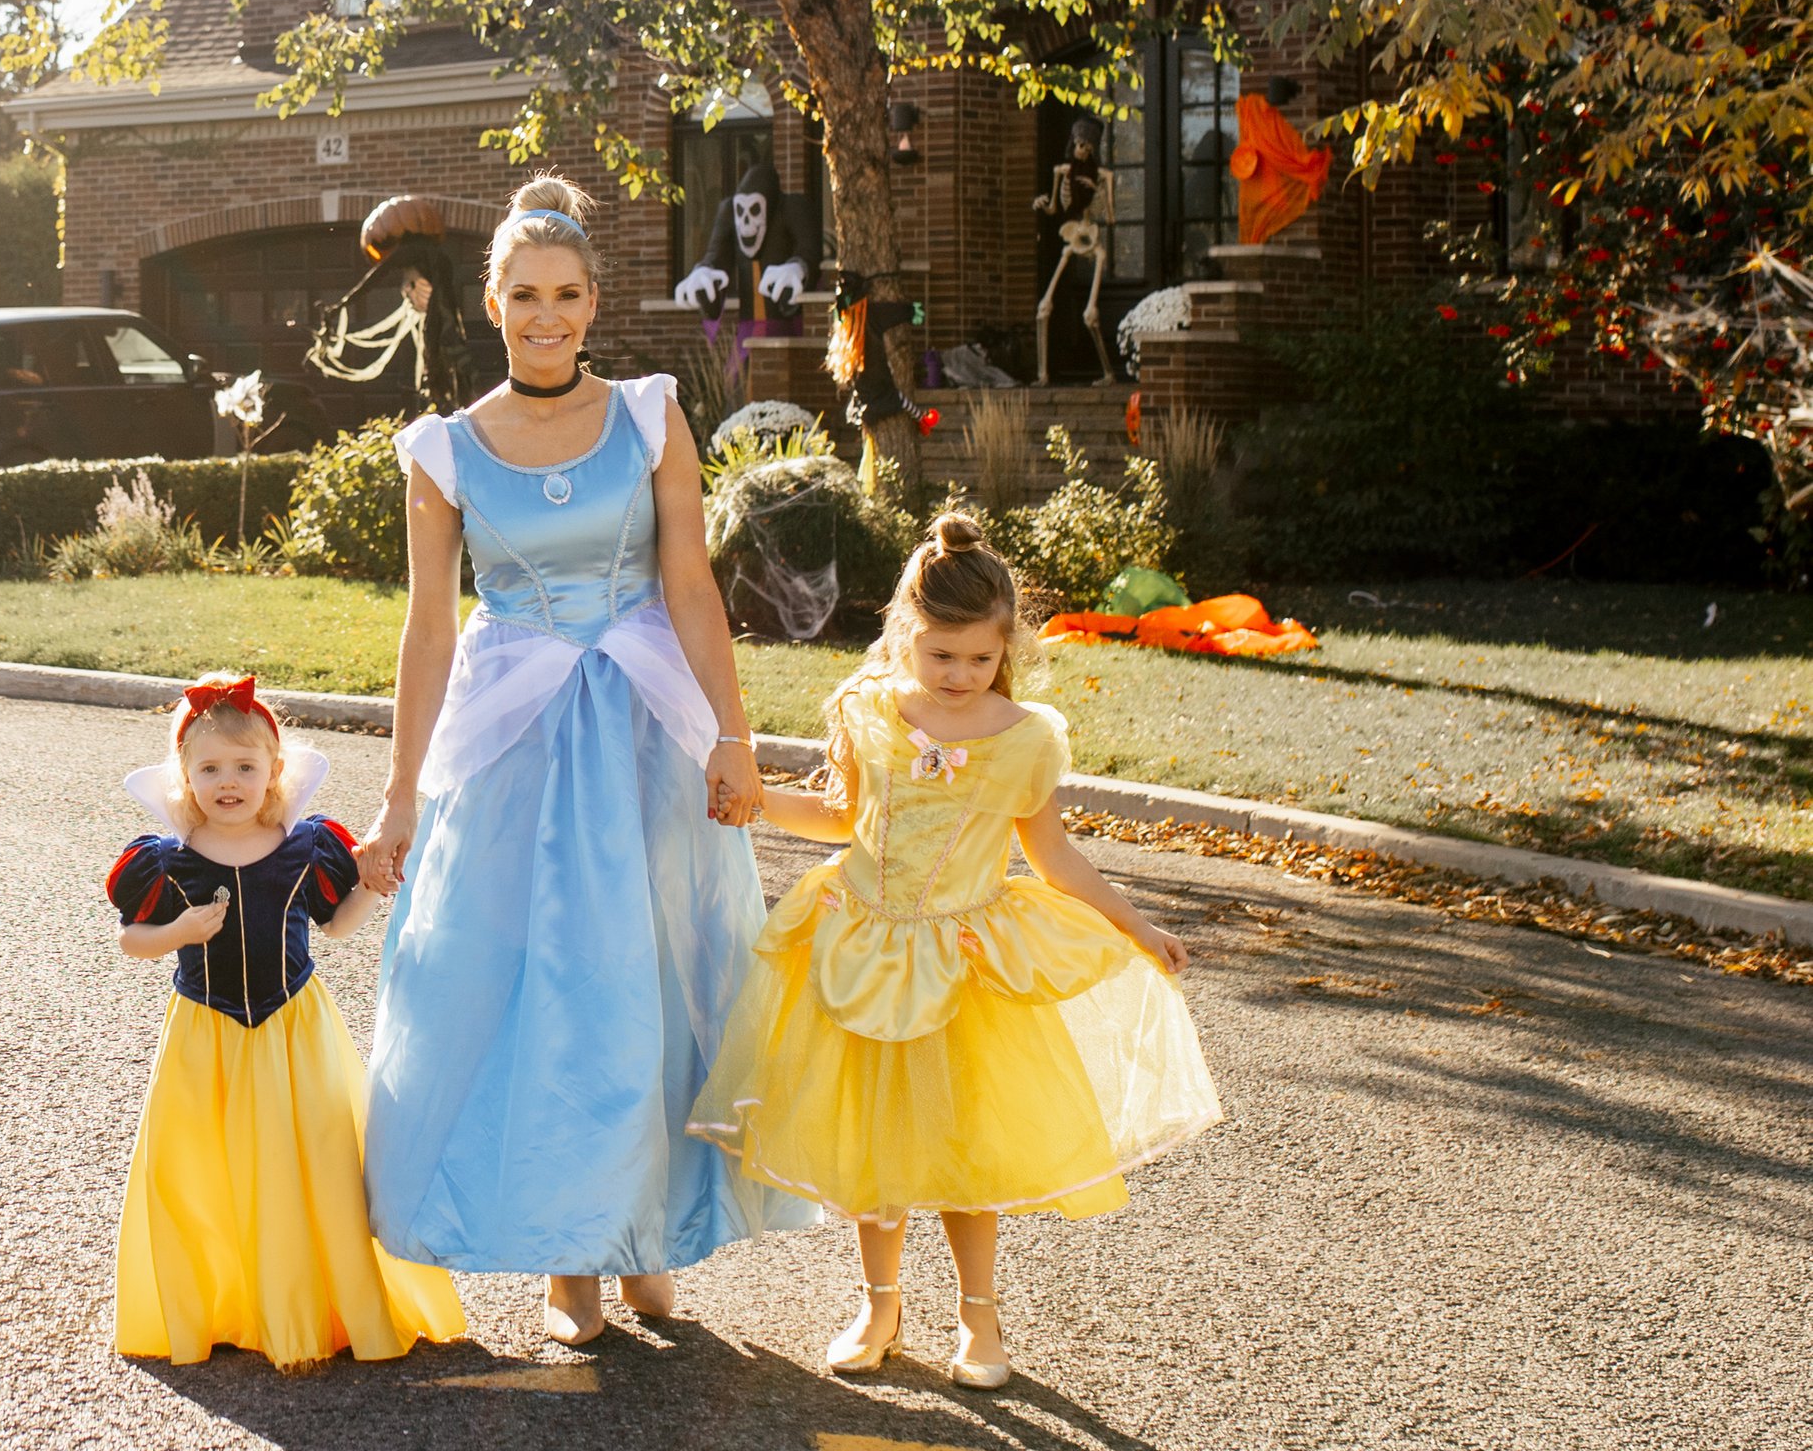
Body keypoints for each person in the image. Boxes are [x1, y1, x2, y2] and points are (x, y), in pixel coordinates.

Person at [358, 175, 816, 1347]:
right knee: (541, 985)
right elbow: (425, 627)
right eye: (524, 296)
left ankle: (648, 1229)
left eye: (566, 294)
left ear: (594, 299)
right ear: (493, 300)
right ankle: (570, 1257)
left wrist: (732, 731)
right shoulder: (445, 450)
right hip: (512, 734)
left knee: (657, 978)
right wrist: (401, 795)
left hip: (641, 725)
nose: (546, 315)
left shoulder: (651, 414)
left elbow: (690, 582)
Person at [688, 517, 1222, 1387]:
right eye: (942, 657)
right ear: (906, 633)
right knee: (871, 1146)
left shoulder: (1027, 736)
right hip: (860, 942)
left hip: (963, 958)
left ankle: (980, 1318)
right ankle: (879, 1303)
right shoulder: (870, 712)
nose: (962, 675)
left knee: (968, 1144)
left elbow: (1054, 857)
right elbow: (841, 818)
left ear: (1005, 643)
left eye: (980, 658)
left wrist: (1136, 925)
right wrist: (758, 800)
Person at [107, 672, 465, 1369]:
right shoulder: (167, 863)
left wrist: (371, 884)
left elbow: (334, 928)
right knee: (207, 1168)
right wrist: (178, 928)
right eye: (210, 768)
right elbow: (131, 940)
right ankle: (223, 1299)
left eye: (245, 766)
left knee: (311, 1163)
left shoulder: (304, 848)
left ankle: (314, 1298)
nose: (229, 781)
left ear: (274, 770)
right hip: (204, 1037)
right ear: (185, 774)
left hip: (294, 1033)